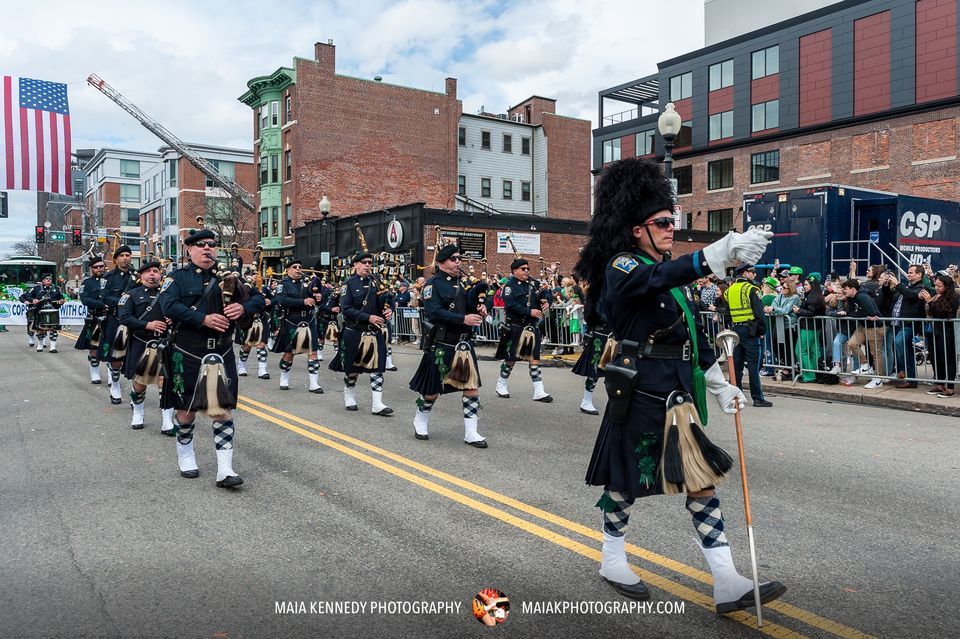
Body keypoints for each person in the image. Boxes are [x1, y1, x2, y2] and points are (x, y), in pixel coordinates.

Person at [576, 158, 784, 612]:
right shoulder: (622, 267)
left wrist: (718, 385)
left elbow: (691, 335)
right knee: (623, 485)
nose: (672, 228)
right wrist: (717, 253)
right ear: (636, 229)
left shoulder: (671, 276)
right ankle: (612, 558)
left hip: (677, 393)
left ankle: (727, 580)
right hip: (640, 390)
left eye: (675, 221)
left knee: (701, 483)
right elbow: (656, 278)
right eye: (663, 222)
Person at [158, 229, 265, 488]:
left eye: (211, 245)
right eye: (201, 245)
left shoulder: (229, 277)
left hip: (221, 351)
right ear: (189, 251)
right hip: (187, 352)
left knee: (222, 412)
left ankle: (225, 470)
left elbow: (260, 299)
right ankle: (186, 455)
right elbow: (167, 305)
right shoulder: (177, 278)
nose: (207, 249)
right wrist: (202, 318)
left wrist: (244, 307)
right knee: (185, 412)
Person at [408, 244, 489, 446]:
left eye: (459, 258)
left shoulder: (463, 284)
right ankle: (421, 418)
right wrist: (463, 319)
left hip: (464, 345)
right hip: (442, 344)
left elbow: (470, 306)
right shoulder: (432, 284)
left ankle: (471, 433)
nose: (458, 262)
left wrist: (480, 309)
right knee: (432, 391)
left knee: (471, 388)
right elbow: (434, 312)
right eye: (453, 258)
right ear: (441, 262)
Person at [329, 251, 394, 415]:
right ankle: (349, 394)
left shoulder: (377, 282)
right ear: (355, 265)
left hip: (374, 331)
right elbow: (347, 309)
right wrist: (369, 317)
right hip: (354, 331)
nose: (367, 265)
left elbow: (388, 299)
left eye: (369, 262)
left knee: (377, 368)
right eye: (364, 262)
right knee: (353, 369)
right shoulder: (348, 284)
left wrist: (390, 310)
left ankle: (377, 403)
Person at [118, 261, 174, 433]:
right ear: (141, 276)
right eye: (148, 272)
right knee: (140, 383)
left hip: (165, 343)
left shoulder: (168, 294)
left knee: (165, 381)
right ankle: (138, 412)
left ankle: (167, 420)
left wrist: (174, 319)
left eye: (155, 271)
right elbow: (124, 317)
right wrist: (146, 325)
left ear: (160, 275)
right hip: (141, 342)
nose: (152, 275)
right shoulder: (131, 295)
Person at [494, 258, 554, 402]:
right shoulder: (509, 286)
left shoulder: (533, 284)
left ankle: (539, 391)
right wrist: (529, 312)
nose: (527, 271)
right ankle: (501, 384)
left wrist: (548, 302)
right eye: (523, 269)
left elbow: (547, 293)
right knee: (511, 359)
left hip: (532, 327)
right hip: (516, 326)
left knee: (534, 359)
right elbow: (510, 304)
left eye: (527, 269)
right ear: (514, 271)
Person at [271, 259, 323, 393]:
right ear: (287, 270)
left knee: (313, 351)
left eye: (300, 267)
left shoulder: (307, 284)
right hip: (292, 320)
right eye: (295, 267)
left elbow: (316, 298)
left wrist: (318, 298)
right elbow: (282, 300)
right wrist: (303, 301)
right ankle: (284, 377)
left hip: (309, 320)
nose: (298, 269)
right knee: (290, 352)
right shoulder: (283, 284)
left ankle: (313, 384)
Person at [724, 265, 772, 406]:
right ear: (745, 273)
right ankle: (757, 398)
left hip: (735, 331)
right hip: (750, 331)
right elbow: (759, 313)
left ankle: (736, 396)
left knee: (737, 365)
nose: (755, 275)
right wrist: (762, 331)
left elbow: (727, 314)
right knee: (753, 366)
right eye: (752, 272)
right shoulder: (752, 289)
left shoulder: (729, 291)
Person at [879, 265, 933, 389]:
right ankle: (905, 373)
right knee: (901, 348)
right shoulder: (906, 286)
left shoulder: (921, 287)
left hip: (909, 323)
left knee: (900, 344)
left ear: (919, 275)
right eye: (908, 272)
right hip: (897, 323)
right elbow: (890, 295)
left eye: (911, 272)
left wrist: (897, 284)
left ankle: (908, 375)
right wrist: (886, 284)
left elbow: (912, 295)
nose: (908, 274)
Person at [100, 246, 136, 404]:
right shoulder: (107, 277)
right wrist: (124, 301)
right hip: (115, 320)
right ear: (115, 259)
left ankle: (136, 392)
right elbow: (104, 297)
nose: (126, 258)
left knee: (135, 356)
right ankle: (115, 385)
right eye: (122, 255)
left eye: (128, 255)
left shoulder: (136, 276)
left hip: (134, 321)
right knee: (115, 357)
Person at [922, 273, 958, 397]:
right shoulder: (936, 296)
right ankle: (940, 384)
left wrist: (929, 302)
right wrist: (930, 301)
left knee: (947, 359)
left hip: (947, 332)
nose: (936, 288)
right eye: (935, 285)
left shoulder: (953, 297)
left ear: (946, 286)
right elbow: (932, 312)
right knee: (935, 358)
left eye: (939, 286)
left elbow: (943, 313)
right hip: (935, 331)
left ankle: (950, 387)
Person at [75, 256, 109, 383]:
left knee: (109, 346)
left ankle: (111, 374)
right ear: (92, 268)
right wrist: (101, 304)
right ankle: (95, 372)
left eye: (101, 266)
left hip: (110, 317)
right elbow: (85, 300)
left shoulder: (110, 279)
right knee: (94, 347)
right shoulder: (87, 283)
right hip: (94, 317)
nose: (99, 269)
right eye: (96, 267)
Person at [793, 274, 826, 383]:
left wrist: (798, 311)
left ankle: (809, 375)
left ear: (812, 285)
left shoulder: (812, 297)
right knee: (812, 351)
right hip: (813, 327)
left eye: (806, 285)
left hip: (808, 327)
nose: (804, 286)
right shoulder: (814, 296)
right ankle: (815, 373)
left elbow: (811, 313)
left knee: (800, 351)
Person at [23, 274, 64, 353]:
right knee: (40, 330)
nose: (48, 280)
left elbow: (61, 298)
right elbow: (28, 296)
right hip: (40, 312)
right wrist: (33, 300)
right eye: (46, 278)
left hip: (53, 312)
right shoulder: (36, 288)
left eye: (50, 279)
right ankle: (40, 344)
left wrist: (61, 302)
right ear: (43, 280)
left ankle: (53, 346)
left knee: (53, 329)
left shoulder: (56, 289)